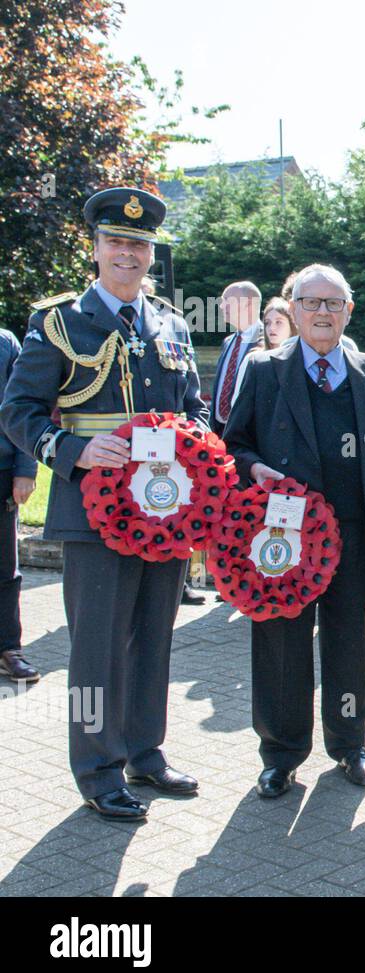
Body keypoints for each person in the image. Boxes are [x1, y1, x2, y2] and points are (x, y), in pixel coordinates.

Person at [1, 187, 207, 820]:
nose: (129, 253)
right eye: (117, 241)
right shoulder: (58, 322)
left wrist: (199, 455)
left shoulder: (171, 323)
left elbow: (193, 410)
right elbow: (17, 411)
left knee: (154, 638)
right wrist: (72, 451)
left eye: (139, 244)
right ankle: (96, 769)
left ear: (151, 255)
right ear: (95, 249)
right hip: (94, 515)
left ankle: (145, 752)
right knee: (96, 645)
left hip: (165, 512)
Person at [222, 263, 365, 798]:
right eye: (311, 302)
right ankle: (281, 754)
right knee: (280, 642)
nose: (322, 313)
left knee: (350, 641)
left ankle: (350, 743)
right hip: (281, 539)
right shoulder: (262, 370)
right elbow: (234, 445)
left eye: (333, 304)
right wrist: (253, 467)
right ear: (293, 308)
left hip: (354, 535)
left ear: (349, 311)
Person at [0, 328, 39, 684]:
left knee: (4, 569)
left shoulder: (5, 343)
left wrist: (25, 469)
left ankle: (8, 648)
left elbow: (24, 408)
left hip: (0, 473)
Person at [210, 281, 262, 437]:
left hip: (251, 436)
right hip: (220, 433)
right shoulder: (228, 342)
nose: (221, 306)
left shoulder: (269, 341)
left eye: (228, 301)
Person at [230, 296, 297, 406]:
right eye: (267, 323)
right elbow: (237, 403)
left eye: (278, 322)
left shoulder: (303, 361)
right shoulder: (252, 360)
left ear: (292, 325)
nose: (272, 328)